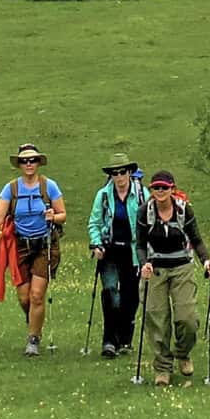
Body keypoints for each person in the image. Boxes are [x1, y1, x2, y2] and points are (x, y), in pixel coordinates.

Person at [135, 169, 210, 385]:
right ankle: (163, 367)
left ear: (173, 189)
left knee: (187, 318)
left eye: (164, 187)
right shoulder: (145, 211)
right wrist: (144, 264)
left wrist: (207, 261)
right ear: (151, 190)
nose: (160, 191)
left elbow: (196, 239)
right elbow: (141, 244)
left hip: (182, 266)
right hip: (156, 269)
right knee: (156, 318)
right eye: (156, 188)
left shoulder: (184, 210)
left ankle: (183, 353)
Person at [0, 144, 65, 356]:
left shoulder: (49, 186)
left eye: (32, 160)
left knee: (37, 295)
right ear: (19, 164)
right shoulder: (11, 188)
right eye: (24, 161)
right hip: (19, 246)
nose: (29, 164)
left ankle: (33, 339)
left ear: (38, 163)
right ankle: (34, 321)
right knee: (24, 298)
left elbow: (63, 214)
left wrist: (52, 217)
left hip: (45, 245)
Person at [87, 150, 146, 358]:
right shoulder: (103, 195)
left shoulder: (141, 194)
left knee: (130, 298)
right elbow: (94, 222)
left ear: (130, 172)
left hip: (133, 251)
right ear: (110, 175)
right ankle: (109, 341)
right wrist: (96, 244)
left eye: (123, 172)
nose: (120, 177)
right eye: (115, 173)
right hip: (110, 249)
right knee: (111, 292)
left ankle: (125, 340)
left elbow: (150, 218)